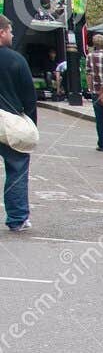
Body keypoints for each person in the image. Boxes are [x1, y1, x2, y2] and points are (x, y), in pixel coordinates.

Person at [0, 14, 35, 232]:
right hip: (10, 122)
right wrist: (31, 123)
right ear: (1, 32)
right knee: (17, 167)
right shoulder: (16, 60)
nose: (13, 35)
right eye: (10, 31)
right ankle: (18, 217)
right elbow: (29, 98)